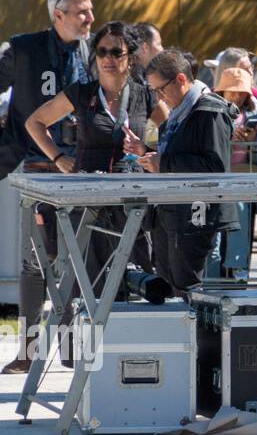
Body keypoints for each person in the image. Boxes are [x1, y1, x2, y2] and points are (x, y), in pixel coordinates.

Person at [25, 21, 170, 299]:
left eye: (116, 52)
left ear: (131, 56)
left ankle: (130, 340)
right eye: (102, 51)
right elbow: (35, 122)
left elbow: (172, 134)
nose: (107, 59)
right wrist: (57, 157)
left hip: (132, 202)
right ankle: (85, 340)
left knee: (138, 277)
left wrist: (147, 149)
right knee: (88, 283)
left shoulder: (144, 95)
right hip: (88, 200)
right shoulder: (82, 92)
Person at [0, 0, 94, 373]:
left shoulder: (94, 52)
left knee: (77, 259)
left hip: (80, 167)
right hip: (33, 165)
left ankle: (71, 350)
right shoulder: (22, 48)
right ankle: (28, 350)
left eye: (91, 9)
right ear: (58, 15)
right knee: (34, 263)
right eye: (81, 12)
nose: (90, 18)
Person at [137, 50, 238, 299]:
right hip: (170, 211)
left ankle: (198, 338)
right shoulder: (181, 110)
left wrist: (165, 163)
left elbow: (214, 167)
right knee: (166, 284)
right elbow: (178, 155)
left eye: (161, 89)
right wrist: (148, 154)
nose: (159, 97)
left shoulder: (209, 111)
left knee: (187, 288)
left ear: (181, 79)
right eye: (154, 92)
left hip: (194, 214)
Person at [213, 65, 257, 280]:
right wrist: (227, 138)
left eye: (242, 91)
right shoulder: (211, 110)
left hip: (242, 176)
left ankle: (237, 267)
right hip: (216, 176)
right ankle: (211, 273)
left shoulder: (253, 112)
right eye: (231, 90)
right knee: (212, 228)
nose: (237, 95)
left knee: (240, 214)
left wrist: (253, 141)